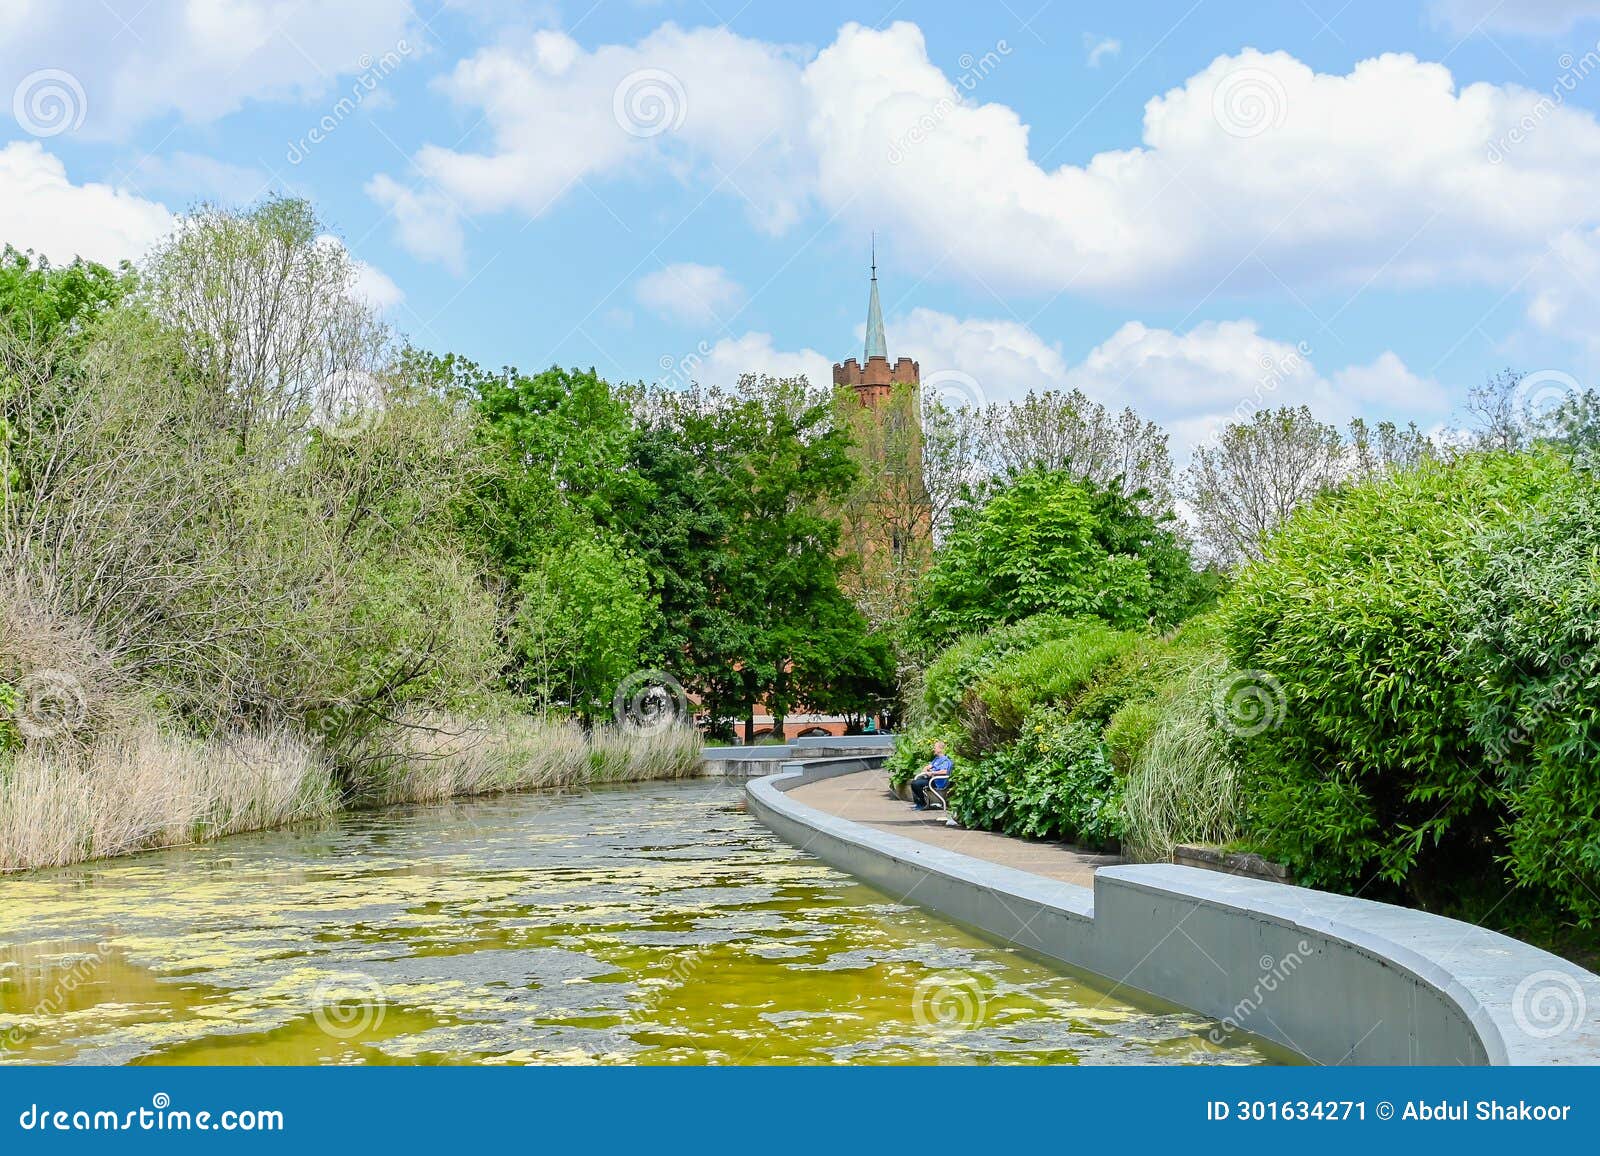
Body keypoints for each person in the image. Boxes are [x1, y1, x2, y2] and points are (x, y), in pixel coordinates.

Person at [910, 741, 953, 811]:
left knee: (916, 784)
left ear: (940, 749)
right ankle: (919, 803)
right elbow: (929, 766)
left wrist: (933, 772)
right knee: (914, 782)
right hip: (932, 779)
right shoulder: (936, 759)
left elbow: (944, 771)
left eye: (935, 747)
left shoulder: (945, 760)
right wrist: (926, 768)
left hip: (937, 782)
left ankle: (923, 803)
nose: (933, 749)